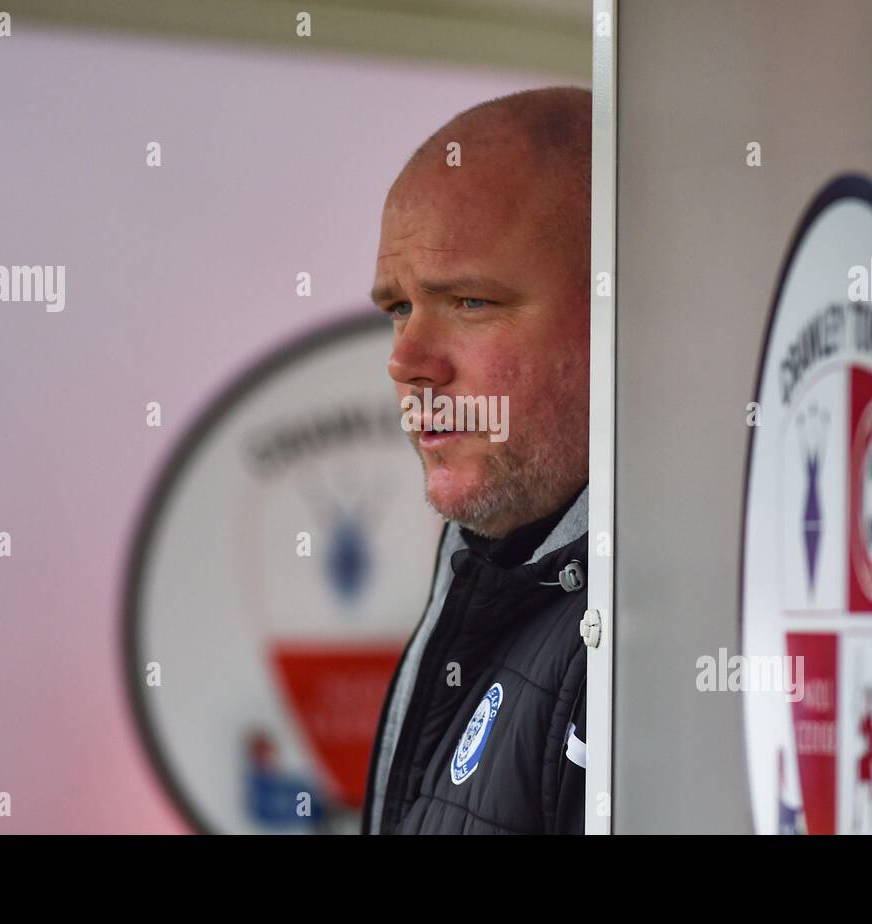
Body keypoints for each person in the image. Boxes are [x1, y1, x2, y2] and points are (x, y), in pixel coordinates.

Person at [362, 86, 593, 834]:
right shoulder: (487, 568)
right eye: (398, 308)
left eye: (469, 302)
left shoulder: (662, 631)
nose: (408, 361)